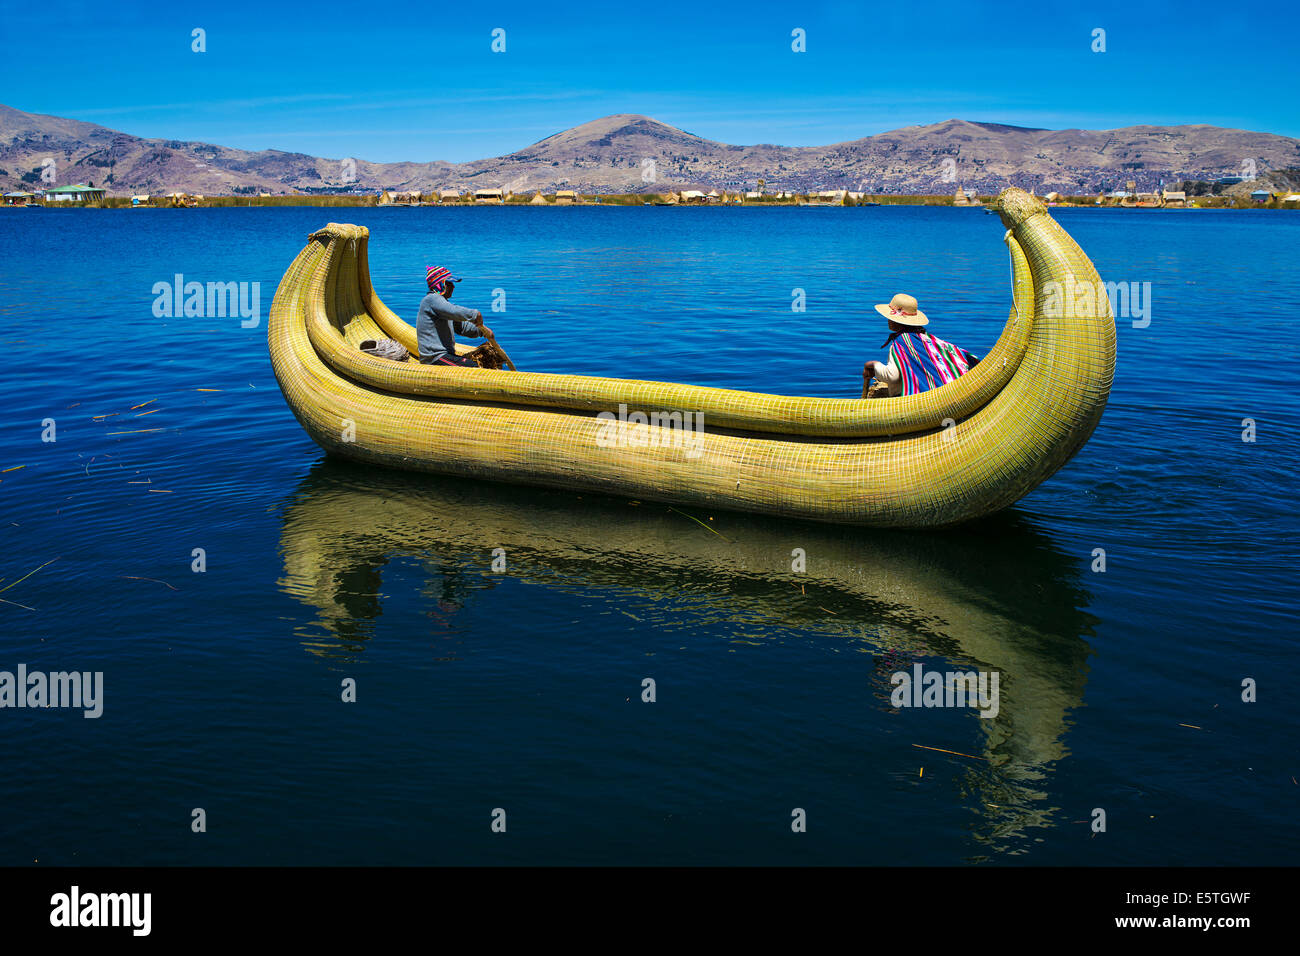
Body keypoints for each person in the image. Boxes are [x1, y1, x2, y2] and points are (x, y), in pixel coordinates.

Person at [863, 293, 980, 397]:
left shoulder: (901, 342)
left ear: (895, 320)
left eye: (889, 318)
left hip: (915, 399)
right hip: (942, 392)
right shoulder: (924, 337)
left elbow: (892, 376)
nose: (888, 320)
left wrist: (873, 365)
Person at [416, 266, 494, 367]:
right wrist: (474, 314)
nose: (453, 287)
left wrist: (481, 331)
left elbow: (461, 327)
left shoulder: (442, 306)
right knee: (473, 367)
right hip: (434, 358)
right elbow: (454, 311)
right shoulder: (431, 300)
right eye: (449, 283)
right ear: (441, 285)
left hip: (445, 356)